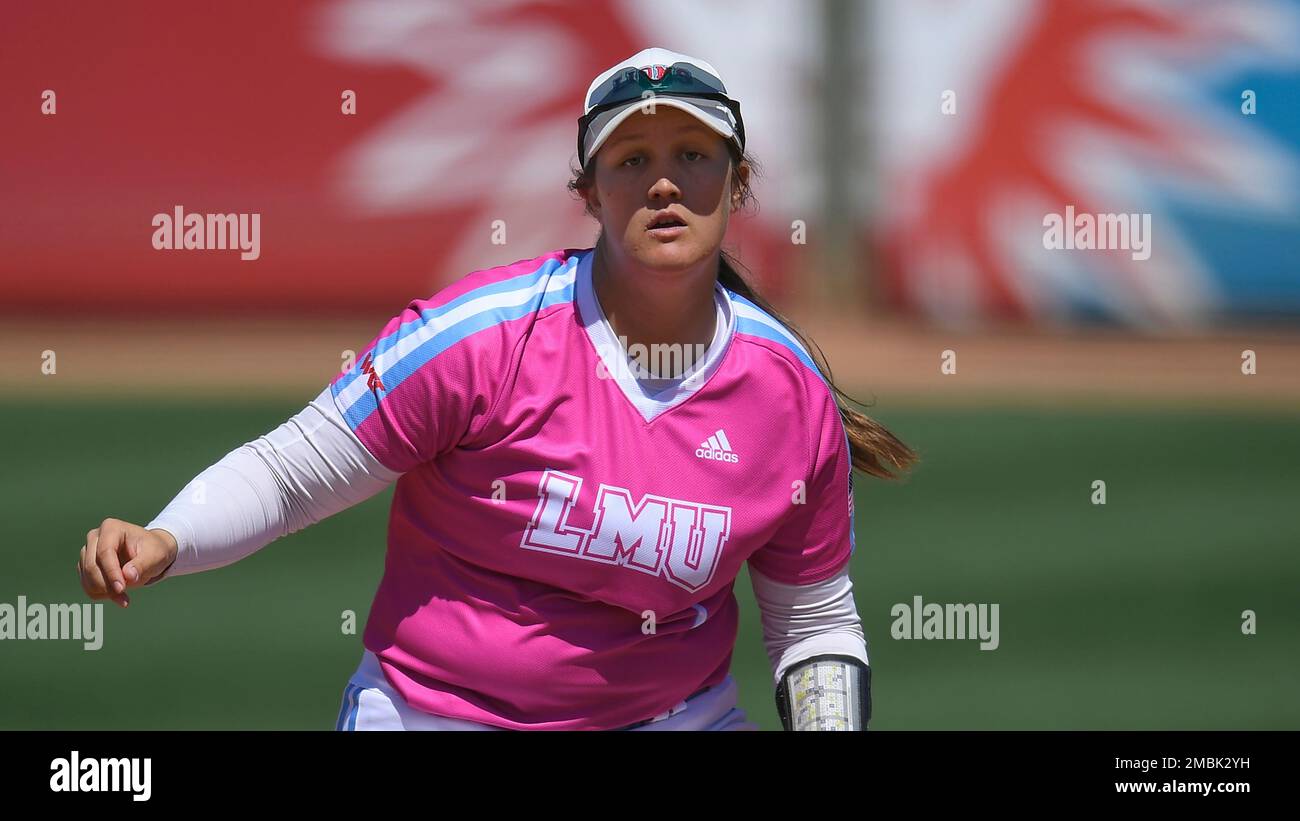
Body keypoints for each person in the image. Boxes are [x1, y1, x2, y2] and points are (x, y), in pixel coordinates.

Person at [76, 47, 916, 731]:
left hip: (674, 718)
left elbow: (813, 625)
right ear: (589, 192)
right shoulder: (484, 338)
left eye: (693, 156)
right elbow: (292, 473)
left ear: (737, 183)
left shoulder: (786, 393)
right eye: (632, 160)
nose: (664, 183)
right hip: (440, 714)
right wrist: (168, 538)